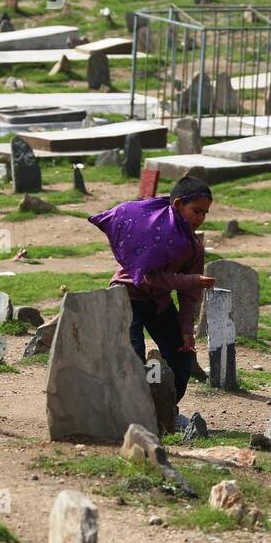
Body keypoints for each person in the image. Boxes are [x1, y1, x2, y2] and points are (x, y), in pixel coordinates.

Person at [88, 175, 215, 427]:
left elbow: (190, 296)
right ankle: (126, 415)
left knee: (181, 357)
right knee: (131, 357)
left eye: (205, 213)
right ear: (178, 205)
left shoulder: (192, 245)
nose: (200, 218)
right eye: (196, 211)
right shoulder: (153, 229)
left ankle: (165, 409)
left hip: (158, 302)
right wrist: (189, 280)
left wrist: (186, 329)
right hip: (127, 295)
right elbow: (147, 278)